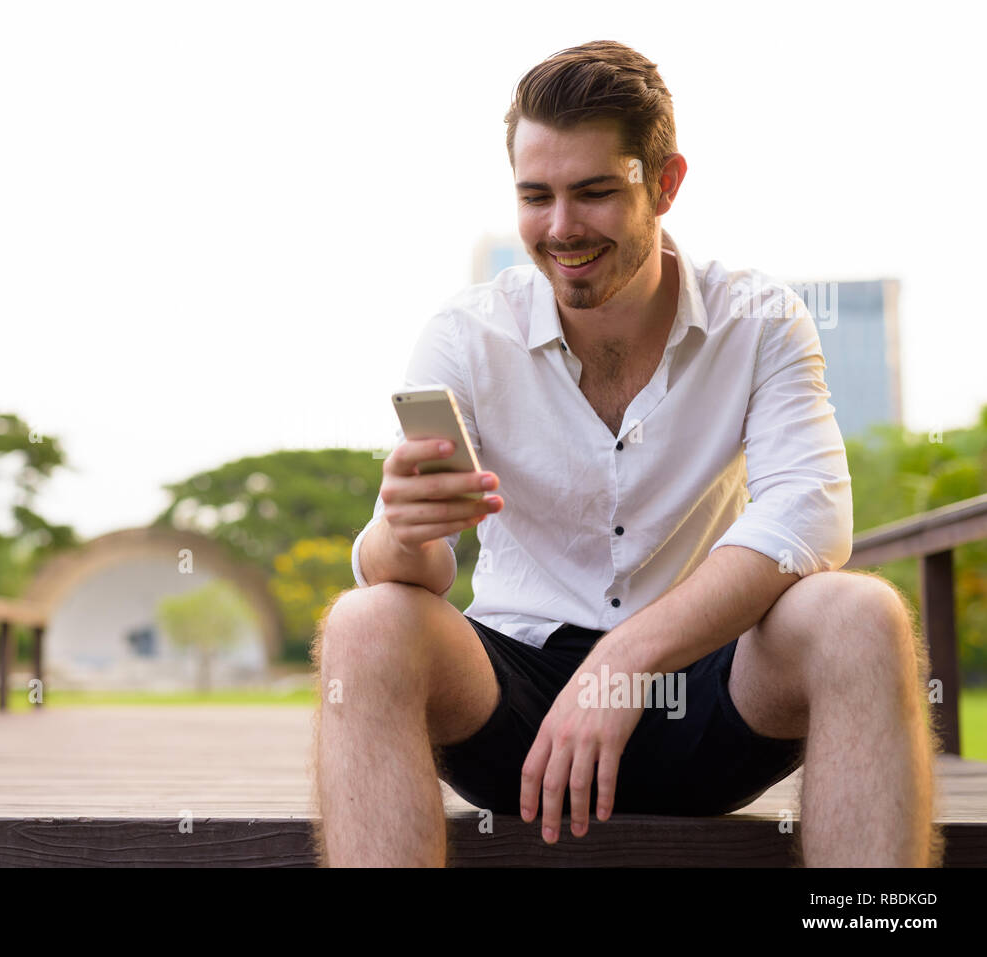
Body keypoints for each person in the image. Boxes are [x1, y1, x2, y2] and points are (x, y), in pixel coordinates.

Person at [311, 39, 941, 868]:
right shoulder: (464, 336)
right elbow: (420, 572)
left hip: (705, 688)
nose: (561, 228)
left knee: (863, 614)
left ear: (666, 183)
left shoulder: (761, 320)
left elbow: (810, 517)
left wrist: (625, 658)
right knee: (363, 620)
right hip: (519, 705)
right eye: (535, 196)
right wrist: (401, 530)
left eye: (596, 192)